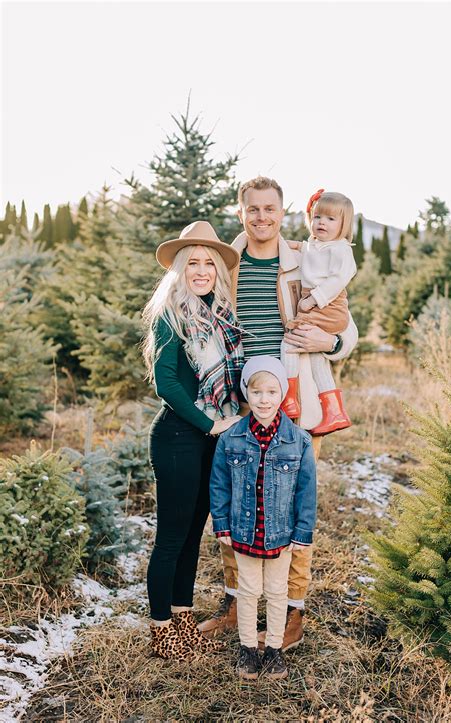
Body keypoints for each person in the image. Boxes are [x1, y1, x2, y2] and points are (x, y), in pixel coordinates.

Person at [198, 176, 358, 650]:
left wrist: (328, 342)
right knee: (232, 502)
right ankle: (235, 602)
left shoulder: (305, 258)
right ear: (241, 210)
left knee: (291, 505)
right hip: (238, 402)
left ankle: (291, 612)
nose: (262, 217)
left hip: (295, 399)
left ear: (283, 212)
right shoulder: (226, 265)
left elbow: (347, 327)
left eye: (271, 209)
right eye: (254, 209)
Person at [142, 220, 242, 660]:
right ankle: (162, 631)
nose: (201, 270)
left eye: (209, 263)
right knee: (170, 539)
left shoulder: (221, 317)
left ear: (218, 270)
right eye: (192, 262)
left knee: (191, 537)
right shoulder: (171, 313)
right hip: (180, 439)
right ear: (180, 269)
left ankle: (183, 619)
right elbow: (166, 383)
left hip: (209, 440)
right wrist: (210, 422)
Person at [210, 356, 317, 680]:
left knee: (276, 592)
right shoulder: (231, 438)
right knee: (247, 591)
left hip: (281, 535)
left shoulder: (298, 441)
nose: (264, 399)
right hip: (244, 533)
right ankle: (247, 649)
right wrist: (222, 524)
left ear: (282, 394)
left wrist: (302, 532)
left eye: (272, 392)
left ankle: (272, 649)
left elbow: (306, 492)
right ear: (247, 394)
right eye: (257, 393)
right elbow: (220, 484)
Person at [281, 188, 357, 435]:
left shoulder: (340, 249)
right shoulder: (317, 245)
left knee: (291, 342)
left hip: (327, 304)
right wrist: (286, 244)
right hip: (318, 302)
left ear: (344, 225)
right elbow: (306, 249)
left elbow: (340, 278)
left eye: (330, 219)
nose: (321, 223)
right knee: (315, 359)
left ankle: (289, 398)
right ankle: (335, 412)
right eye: (317, 217)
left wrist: (313, 299)